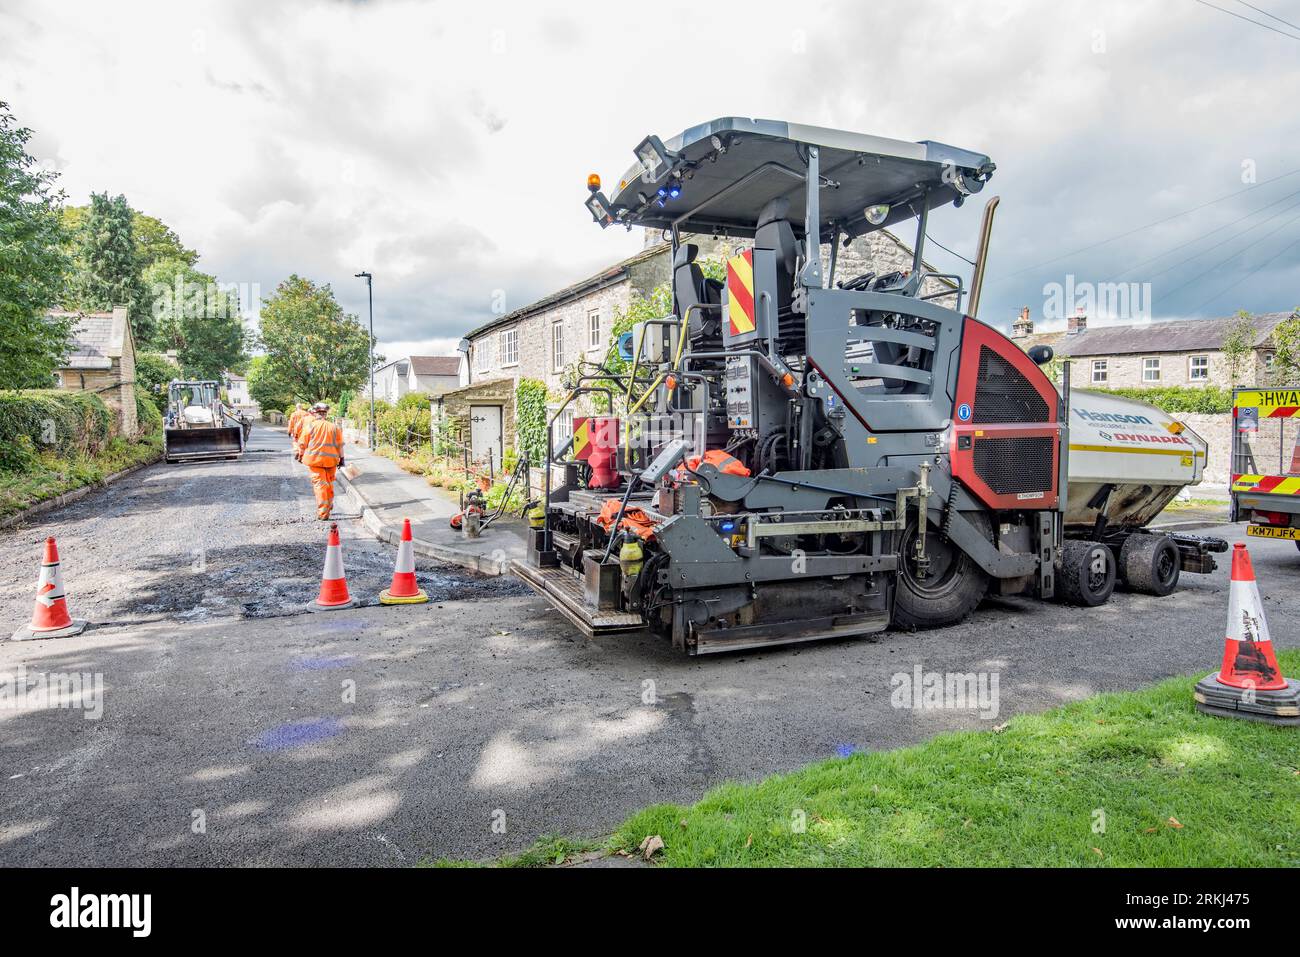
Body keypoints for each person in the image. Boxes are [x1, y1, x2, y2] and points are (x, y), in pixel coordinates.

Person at [297, 402, 345, 520]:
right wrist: (342, 459)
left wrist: (300, 454)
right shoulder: (334, 427)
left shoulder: (311, 426)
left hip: (315, 461)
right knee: (328, 484)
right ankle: (328, 505)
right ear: (326, 414)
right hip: (331, 461)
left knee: (320, 485)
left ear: (315, 413)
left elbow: (302, 443)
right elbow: (340, 445)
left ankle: (323, 512)